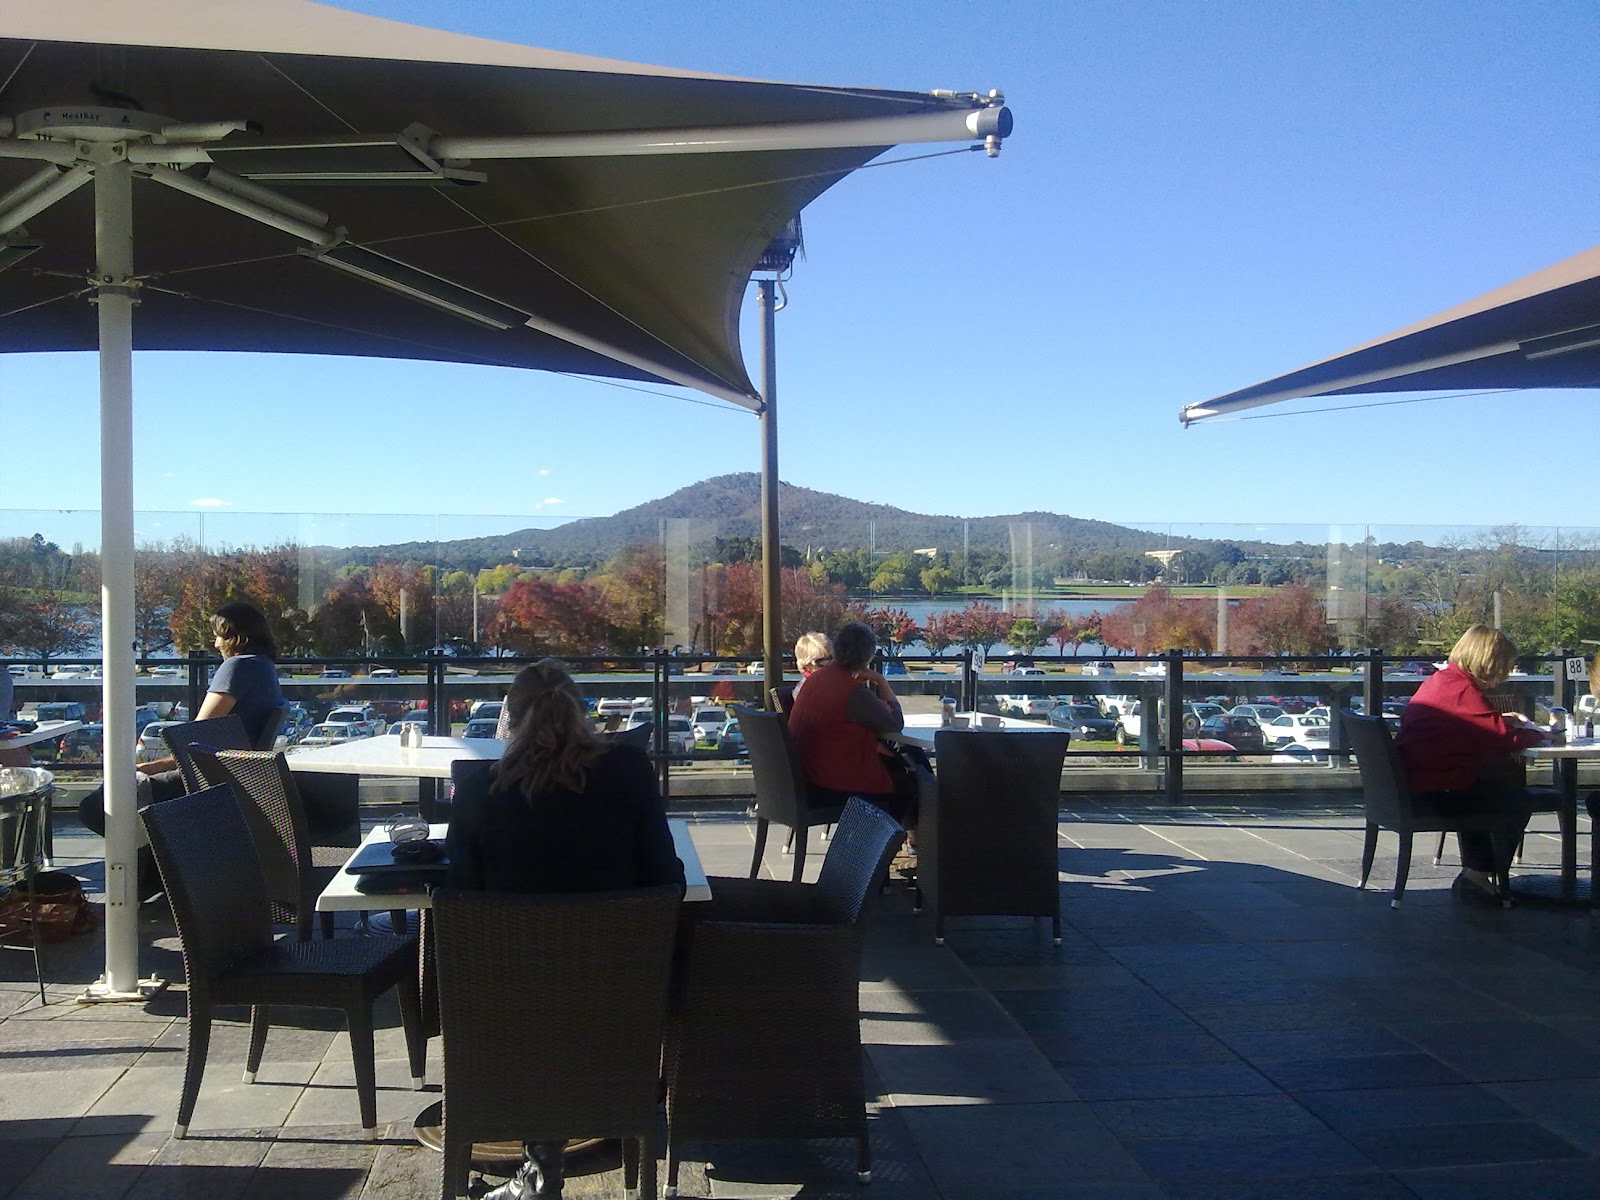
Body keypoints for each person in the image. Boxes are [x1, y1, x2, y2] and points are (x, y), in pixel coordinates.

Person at [447, 658, 684, 1200]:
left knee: (531, 991)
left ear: (509, 715)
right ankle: (625, 1111)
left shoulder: (481, 791)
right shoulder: (627, 772)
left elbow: (462, 896)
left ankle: (539, 1162)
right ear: (581, 710)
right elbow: (664, 877)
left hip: (507, 999)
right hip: (623, 987)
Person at [79, 601, 285, 900]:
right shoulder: (265, 668)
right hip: (231, 779)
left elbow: (197, 738)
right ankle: (162, 874)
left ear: (233, 636)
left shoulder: (236, 667)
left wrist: (149, 767)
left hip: (203, 784)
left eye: (217, 635)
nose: (215, 643)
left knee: (95, 805)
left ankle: (155, 876)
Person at [1394, 624, 1547, 904]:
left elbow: (1476, 725)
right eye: (1506, 665)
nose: (1506, 673)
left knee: (1486, 788)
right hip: (1434, 793)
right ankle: (1478, 875)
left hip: (1416, 786)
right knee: (1515, 801)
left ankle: (1475, 875)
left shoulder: (1445, 681)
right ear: (1491, 662)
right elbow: (1503, 738)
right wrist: (1541, 735)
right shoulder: (1463, 691)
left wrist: (1501, 720)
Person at [786, 621, 911, 824]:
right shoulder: (852, 691)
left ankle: (879, 844)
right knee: (910, 782)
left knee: (903, 767)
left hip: (807, 776)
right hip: (831, 784)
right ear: (868, 657)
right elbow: (895, 723)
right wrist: (881, 681)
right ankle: (878, 846)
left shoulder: (817, 680)